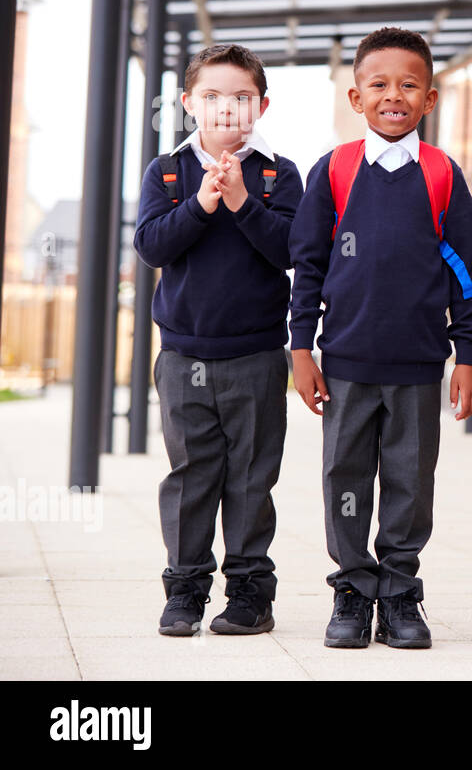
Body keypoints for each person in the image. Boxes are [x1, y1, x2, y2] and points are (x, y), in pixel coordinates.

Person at [289, 26, 472, 650]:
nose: (393, 95)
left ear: (430, 99)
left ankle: (400, 593)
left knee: (409, 481)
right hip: (344, 363)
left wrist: (469, 354)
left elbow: (465, 271)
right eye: (379, 84)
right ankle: (352, 591)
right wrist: (300, 349)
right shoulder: (336, 170)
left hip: (419, 366)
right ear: (356, 97)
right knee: (345, 478)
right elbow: (309, 267)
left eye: (409, 84)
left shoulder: (442, 176)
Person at [134, 43, 303, 637]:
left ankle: (251, 593)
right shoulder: (169, 171)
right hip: (183, 356)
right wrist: (205, 203)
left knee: (252, 477)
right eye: (211, 96)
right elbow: (153, 245)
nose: (226, 108)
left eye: (240, 97)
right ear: (187, 103)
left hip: (255, 355)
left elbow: (291, 252)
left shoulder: (279, 174)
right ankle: (184, 588)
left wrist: (240, 201)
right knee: (190, 474)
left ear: (260, 105)